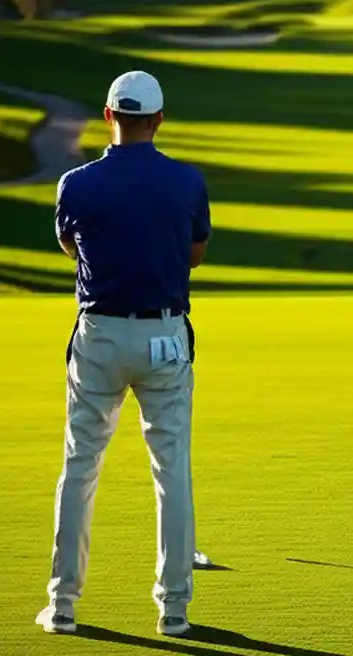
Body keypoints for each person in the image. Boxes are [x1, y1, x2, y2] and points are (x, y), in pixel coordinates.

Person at [35, 70, 211, 637]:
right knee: (172, 471)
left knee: (80, 467)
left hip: (100, 337)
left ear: (108, 116)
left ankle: (63, 606)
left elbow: (70, 245)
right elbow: (196, 255)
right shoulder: (187, 182)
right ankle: (175, 610)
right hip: (164, 336)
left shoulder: (76, 184)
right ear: (158, 121)